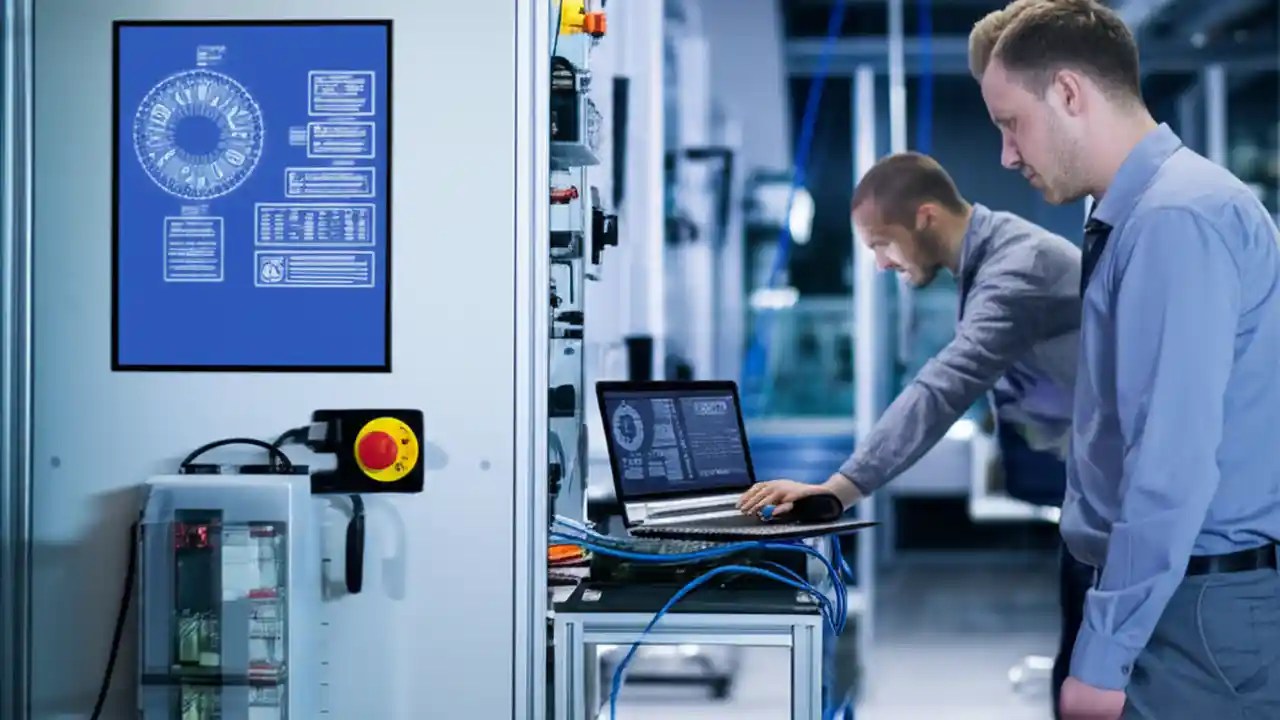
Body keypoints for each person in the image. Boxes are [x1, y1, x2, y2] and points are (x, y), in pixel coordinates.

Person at [970, 1, 1280, 718]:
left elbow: (1170, 463)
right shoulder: (1143, 214)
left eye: (1011, 123)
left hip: (1193, 616)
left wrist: (1104, 656)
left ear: (1068, 93)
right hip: (1174, 596)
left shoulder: (1175, 219)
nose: (1007, 155)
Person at [736, 152, 1090, 714]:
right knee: (1075, 676)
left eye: (882, 244)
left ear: (926, 217)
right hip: (1087, 499)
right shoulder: (997, 254)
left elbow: (942, 388)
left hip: (1115, 503)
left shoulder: (1017, 268)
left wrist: (838, 489)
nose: (879, 263)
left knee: (1088, 683)